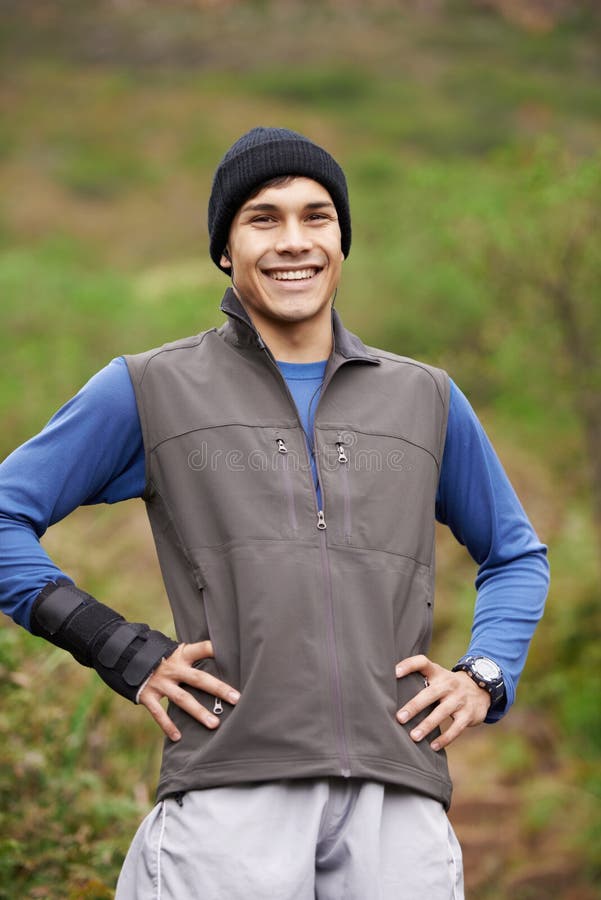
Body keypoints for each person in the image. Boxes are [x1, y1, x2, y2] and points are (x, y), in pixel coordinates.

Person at [0, 126, 549, 899]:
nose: (294, 241)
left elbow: (515, 553)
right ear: (225, 247)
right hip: (230, 792)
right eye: (263, 219)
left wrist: (483, 675)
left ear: (341, 239)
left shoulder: (423, 396)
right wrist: (119, 648)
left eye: (315, 216)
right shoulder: (149, 388)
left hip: (398, 798)